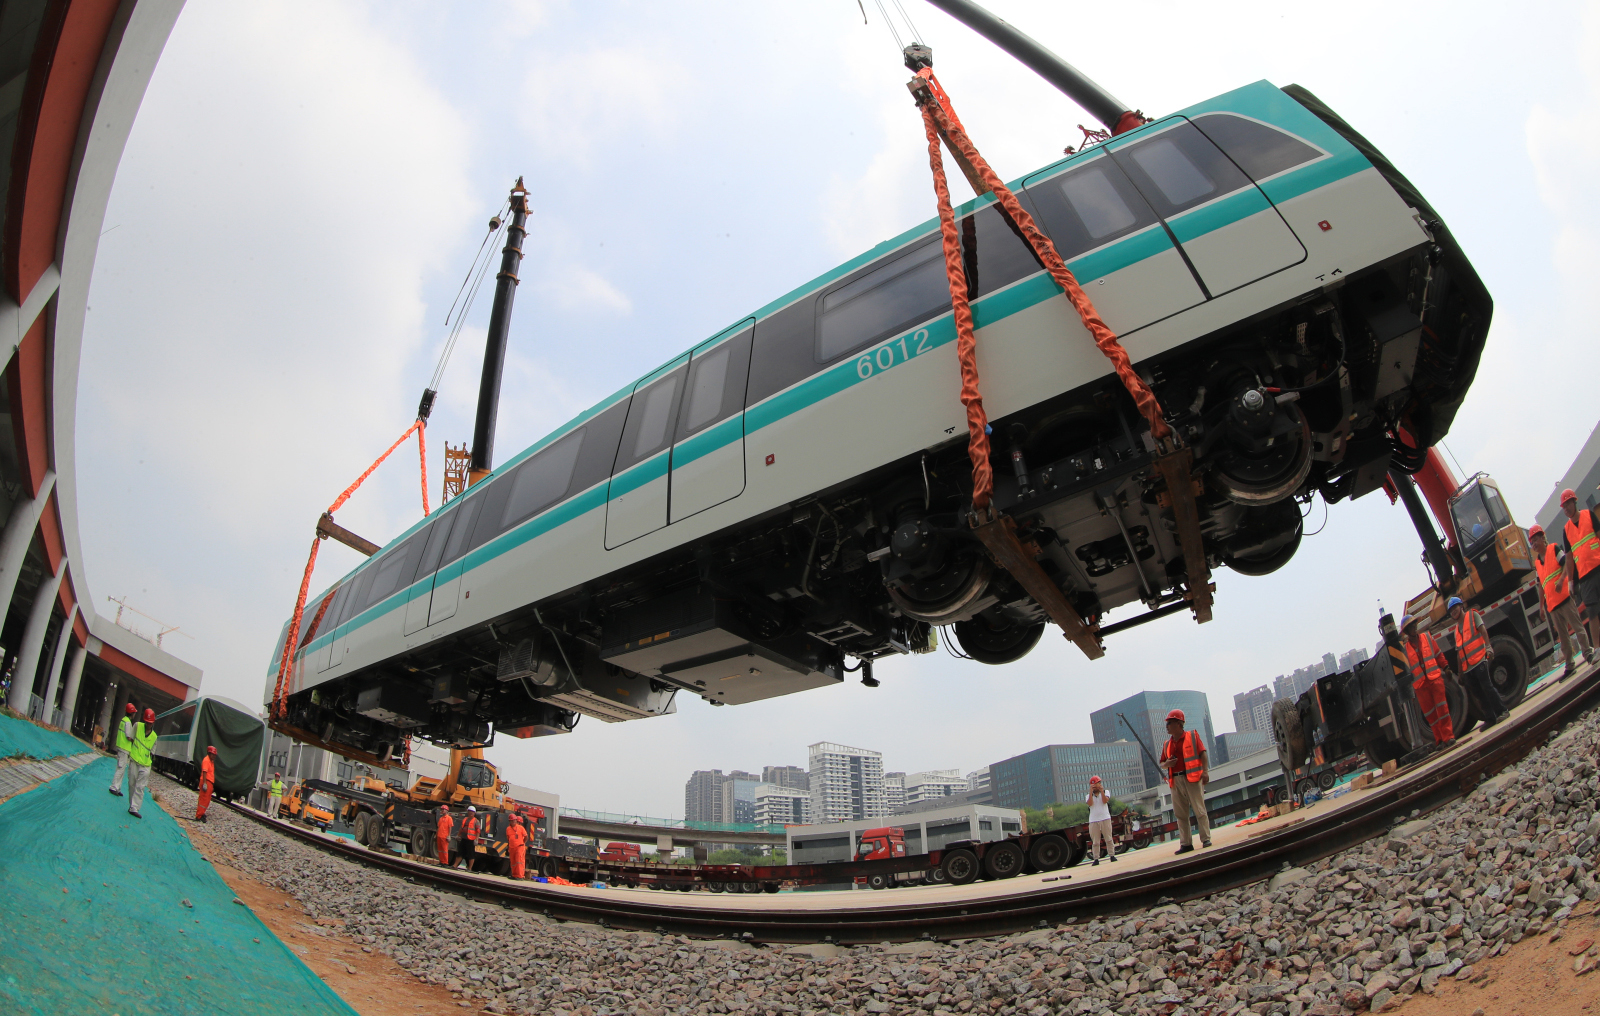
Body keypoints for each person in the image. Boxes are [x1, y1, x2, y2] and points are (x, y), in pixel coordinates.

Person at [1530, 523, 1593, 677]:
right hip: (1552, 605)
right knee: (1563, 638)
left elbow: (1566, 564)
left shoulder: (1554, 549)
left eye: (1535, 540)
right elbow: (1541, 586)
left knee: (1578, 628)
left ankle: (1588, 653)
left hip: (1564, 599)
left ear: (1542, 538)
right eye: (1531, 542)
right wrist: (1541, 606)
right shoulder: (1537, 563)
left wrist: (1562, 580)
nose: (1534, 544)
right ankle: (1570, 665)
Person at [1447, 596, 1509, 730]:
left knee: (1487, 687)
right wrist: (1461, 672)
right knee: (1478, 694)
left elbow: (1483, 630)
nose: (1454, 612)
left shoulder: (1472, 616)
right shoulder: (1456, 630)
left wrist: (1488, 647)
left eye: (1455, 608)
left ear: (1461, 606)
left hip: (1479, 660)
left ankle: (1502, 711)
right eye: (1451, 611)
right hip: (1468, 667)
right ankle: (1490, 718)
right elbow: (1459, 652)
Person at [1158, 708, 1210, 853]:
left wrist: (1205, 771)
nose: (1167, 726)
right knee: (1181, 814)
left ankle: (1205, 839)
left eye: (1170, 723)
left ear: (1179, 724)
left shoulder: (1192, 736)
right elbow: (1162, 763)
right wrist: (1167, 764)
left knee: (1199, 810)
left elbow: (1203, 753)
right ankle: (1186, 843)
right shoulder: (1167, 744)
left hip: (1192, 778)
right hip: (1175, 781)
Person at [1402, 613, 1454, 747]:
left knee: (1442, 710)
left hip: (1434, 679)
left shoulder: (1427, 637)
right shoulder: (1405, 650)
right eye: (1410, 627)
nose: (1414, 628)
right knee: (1431, 716)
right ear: (1406, 631)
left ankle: (1448, 737)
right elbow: (1407, 672)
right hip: (1421, 686)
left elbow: (1437, 653)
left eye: (1414, 625)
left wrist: (1446, 667)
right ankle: (1440, 740)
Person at [1559, 489, 1600, 652]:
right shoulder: (1566, 530)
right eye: (1564, 506)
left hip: (1598, 567)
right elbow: (1569, 558)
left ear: (1574, 502)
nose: (1566, 508)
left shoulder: (1589, 515)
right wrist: (1570, 581)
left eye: (1568, 504)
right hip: (1585, 577)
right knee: (1592, 612)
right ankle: (1597, 648)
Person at [126, 708, 157, 819]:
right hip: (134, 760)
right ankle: (131, 805)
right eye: (147, 722)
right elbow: (130, 737)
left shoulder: (154, 736)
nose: (148, 725)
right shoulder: (137, 726)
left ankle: (134, 808)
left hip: (145, 764)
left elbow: (153, 751)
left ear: (153, 722)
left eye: (150, 723)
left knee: (140, 787)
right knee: (131, 784)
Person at [1085, 775, 1116, 865]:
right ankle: (1096, 858)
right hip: (1093, 820)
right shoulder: (1088, 796)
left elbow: (1104, 801)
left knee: (1109, 839)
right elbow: (1090, 804)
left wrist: (1101, 791)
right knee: (1095, 841)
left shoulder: (1106, 792)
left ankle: (1112, 855)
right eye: (1095, 785)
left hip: (1105, 818)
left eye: (1098, 784)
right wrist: (1091, 791)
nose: (1097, 786)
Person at [108, 702, 137, 796]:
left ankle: (117, 788)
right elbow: (129, 736)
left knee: (121, 768)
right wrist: (135, 741)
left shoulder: (123, 720)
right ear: (132, 713)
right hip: (124, 748)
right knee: (120, 768)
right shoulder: (128, 722)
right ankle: (113, 787)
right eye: (134, 712)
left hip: (121, 747)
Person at [194, 745, 218, 823]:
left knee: (206, 800)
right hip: (206, 781)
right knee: (203, 799)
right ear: (209, 753)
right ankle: (199, 815)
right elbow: (205, 772)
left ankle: (201, 813)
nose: (214, 756)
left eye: (215, 754)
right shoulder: (206, 760)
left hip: (209, 782)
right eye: (213, 754)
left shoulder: (211, 761)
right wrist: (204, 783)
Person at [507, 812, 528, 879]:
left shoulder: (521, 828)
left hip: (519, 846)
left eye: (514, 820)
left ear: (516, 820)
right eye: (512, 820)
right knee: (513, 862)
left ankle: (520, 876)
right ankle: (514, 875)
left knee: (519, 861)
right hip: (512, 847)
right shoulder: (508, 829)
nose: (513, 822)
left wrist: (522, 843)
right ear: (509, 821)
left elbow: (526, 837)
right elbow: (508, 838)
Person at [463, 805, 480, 871]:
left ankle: (470, 868)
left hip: (471, 839)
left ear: (474, 813)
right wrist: (459, 835)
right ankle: (455, 865)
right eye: (470, 811)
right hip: (465, 838)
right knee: (462, 852)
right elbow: (462, 828)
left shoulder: (476, 821)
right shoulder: (465, 819)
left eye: (472, 812)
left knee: (471, 853)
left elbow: (478, 830)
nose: (471, 813)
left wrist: (476, 839)